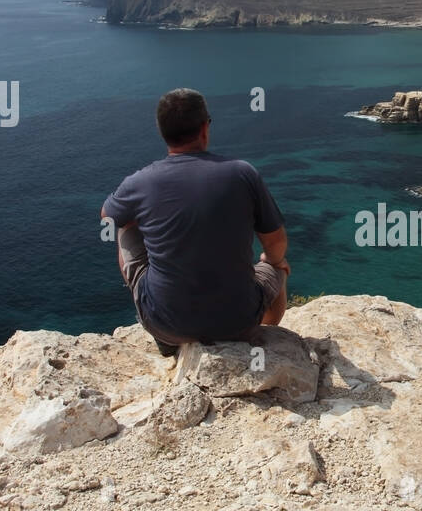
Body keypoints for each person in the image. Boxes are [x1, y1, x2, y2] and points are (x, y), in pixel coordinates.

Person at [101, 88, 289, 356]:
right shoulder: (242, 173)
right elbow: (276, 242)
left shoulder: (139, 182)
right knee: (278, 264)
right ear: (204, 128)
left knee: (122, 223)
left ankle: (167, 333)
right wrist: (272, 261)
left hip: (166, 324)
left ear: (162, 132)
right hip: (238, 323)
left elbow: (106, 215)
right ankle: (264, 331)